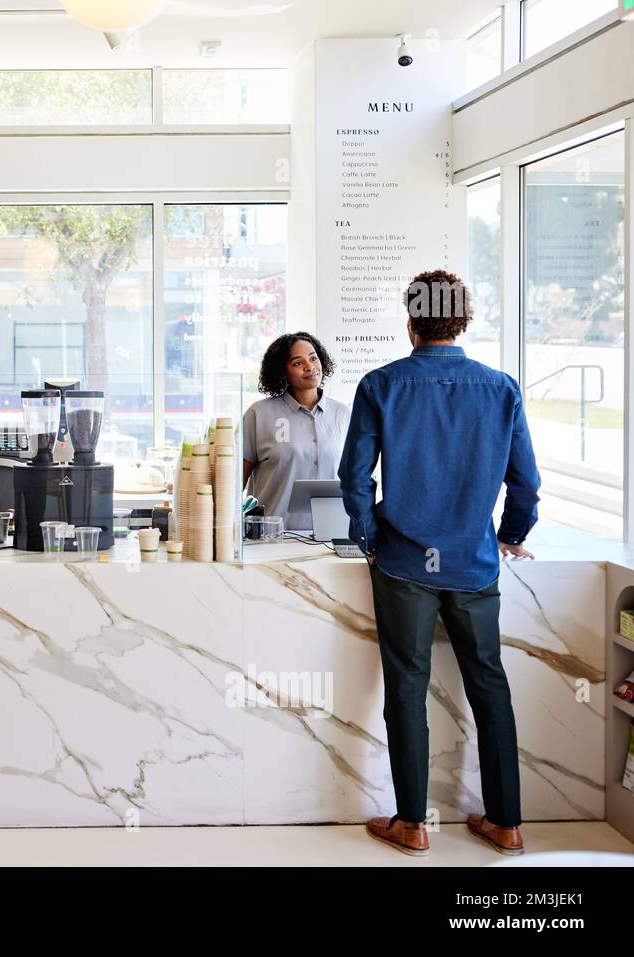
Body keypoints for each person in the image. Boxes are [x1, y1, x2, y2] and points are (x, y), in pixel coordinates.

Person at [338, 270, 541, 858]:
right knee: (490, 687)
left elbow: (355, 479)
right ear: (464, 321)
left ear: (410, 322)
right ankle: (506, 823)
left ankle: (413, 824)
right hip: (474, 564)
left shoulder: (381, 385)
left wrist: (368, 536)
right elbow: (525, 483)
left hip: (402, 562)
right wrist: (509, 536)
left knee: (406, 686)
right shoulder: (501, 389)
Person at [242, 332, 350, 530]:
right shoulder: (259, 414)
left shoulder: (343, 414)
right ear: (282, 372)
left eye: (313, 358)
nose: (310, 367)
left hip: (330, 538)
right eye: (298, 363)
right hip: (270, 537)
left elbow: (354, 480)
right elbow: (235, 481)